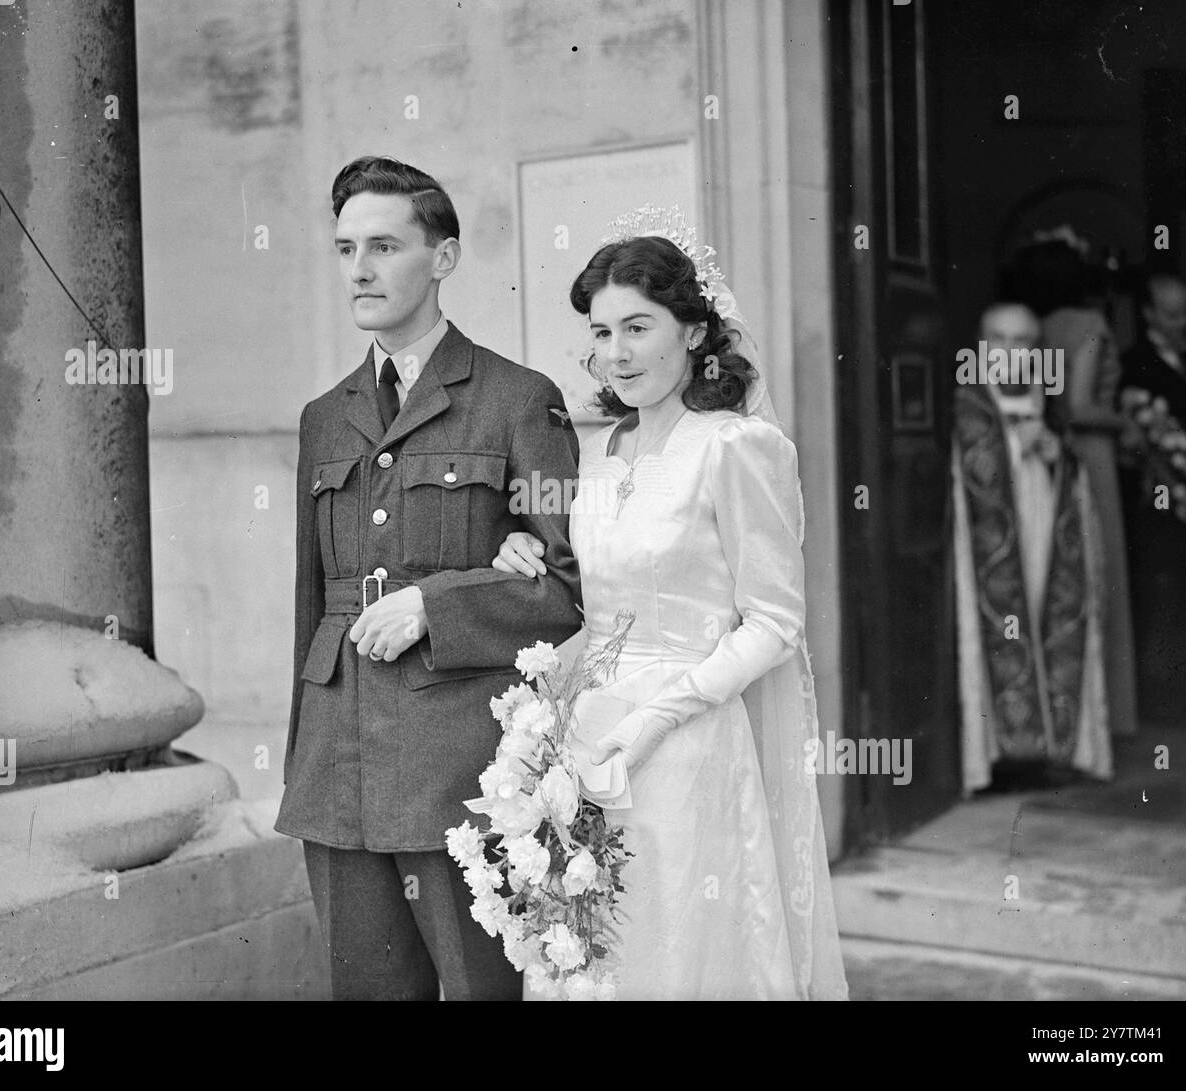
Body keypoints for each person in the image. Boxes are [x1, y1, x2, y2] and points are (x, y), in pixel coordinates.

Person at [491, 218, 847, 1000]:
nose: (617, 353)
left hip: (687, 741)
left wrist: (658, 716)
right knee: (596, 949)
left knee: (681, 949)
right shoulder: (601, 451)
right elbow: (600, 595)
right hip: (588, 738)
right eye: (602, 332)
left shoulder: (735, 447)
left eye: (639, 327)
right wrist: (519, 553)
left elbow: (776, 622)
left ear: (692, 331)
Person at [275, 156, 583, 1000]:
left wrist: (433, 603)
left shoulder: (520, 400)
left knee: (484, 989)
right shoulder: (324, 416)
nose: (361, 270)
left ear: (442, 257)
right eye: (345, 249)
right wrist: (302, 755)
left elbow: (564, 590)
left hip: (460, 769)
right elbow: (312, 603)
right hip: (338, 767)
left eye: (384, 245)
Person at [951, 302, 1111, 792]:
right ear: (980, 344)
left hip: (1044, 532)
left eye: (1022, 340)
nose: (1009, 351)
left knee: (1048, 621)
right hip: (988, 547)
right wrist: (1016, 446)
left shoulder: (1052, 400)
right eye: (998, 338)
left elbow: (1073, 470)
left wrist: (1054, 453)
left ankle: (1051, 748)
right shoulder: (966, 403)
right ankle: (994, 756)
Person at [999, 234, 1138, 737]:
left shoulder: (1035, 328)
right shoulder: (1090, 325)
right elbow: (1080, 404)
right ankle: (1106, 717)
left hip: (1047, 451)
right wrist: (1127, 423)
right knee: (1100, 576)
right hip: (1089, 453)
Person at [1119, 272, 1186, 720]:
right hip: (1160, 497)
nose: (1183, 322)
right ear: (1150, 314)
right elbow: (1144, 439)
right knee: (1163, 591)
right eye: (1172, 314)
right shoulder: (1135, 362)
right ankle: (1163, 699)